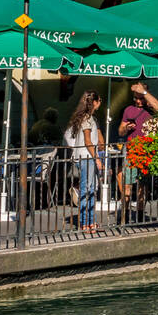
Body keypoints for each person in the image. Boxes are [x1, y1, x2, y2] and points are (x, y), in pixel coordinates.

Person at [118, 82, 158, 226]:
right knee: (127, 185)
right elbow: (120, 131)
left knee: (143, 186)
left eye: (140, 98)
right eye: (135, 98)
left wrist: (144, 92)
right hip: (131, 151)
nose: (137, 101)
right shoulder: (128, 110)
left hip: (146, 152)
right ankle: (123, 216)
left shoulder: (151, 111)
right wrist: (126, 128)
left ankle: (140, 217)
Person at [64, 91, 104, 231]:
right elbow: (88, 142)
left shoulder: (84, 117)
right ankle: (85, 222)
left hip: (83, 157)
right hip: (87, 157)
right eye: (99, 100)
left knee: (89, 189)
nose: (100, 103)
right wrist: (97, 158)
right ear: (94, 102)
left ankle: (89, 221)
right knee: (87, 190)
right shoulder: (88, 119)